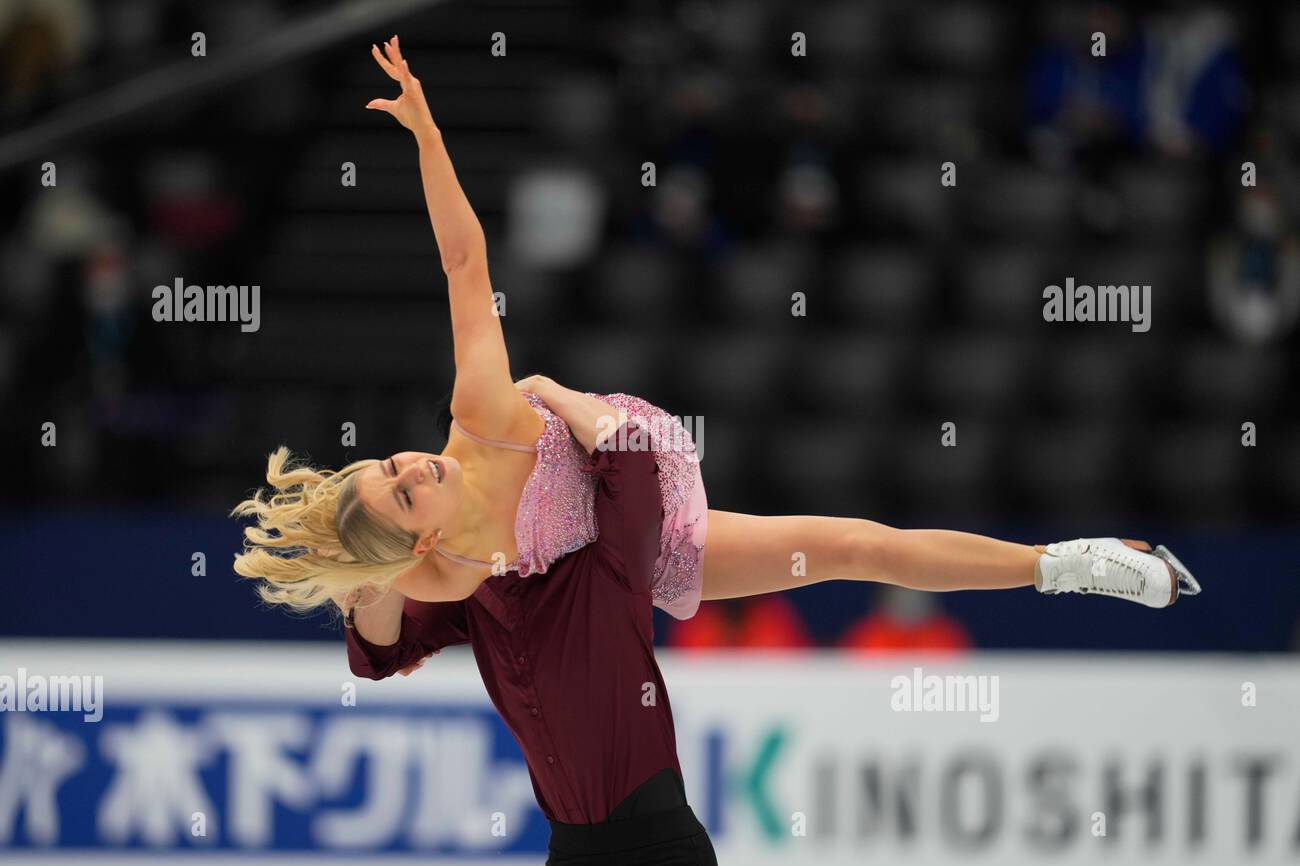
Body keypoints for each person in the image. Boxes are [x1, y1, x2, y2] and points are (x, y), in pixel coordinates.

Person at [231, 37, 1201, 648]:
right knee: (851, 551)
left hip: (637, 472)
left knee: (860, 539)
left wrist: (428, 137)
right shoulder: (430, 567)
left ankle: (1065, 561)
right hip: (641, 565)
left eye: (383, 463)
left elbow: (460, 263)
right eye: (400, 491)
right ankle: (1062, 566)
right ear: (419, 536)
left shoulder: (478, 420)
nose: (403, 462)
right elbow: (378, 642)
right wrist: (347, 572)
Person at [345, 411, 719, 866]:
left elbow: (630, 450)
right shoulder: (473, 589)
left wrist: (545, 389)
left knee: (838, 546)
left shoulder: (606, 553)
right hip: (569, 855)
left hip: (660, 854)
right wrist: (381, 555)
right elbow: (378, 655)